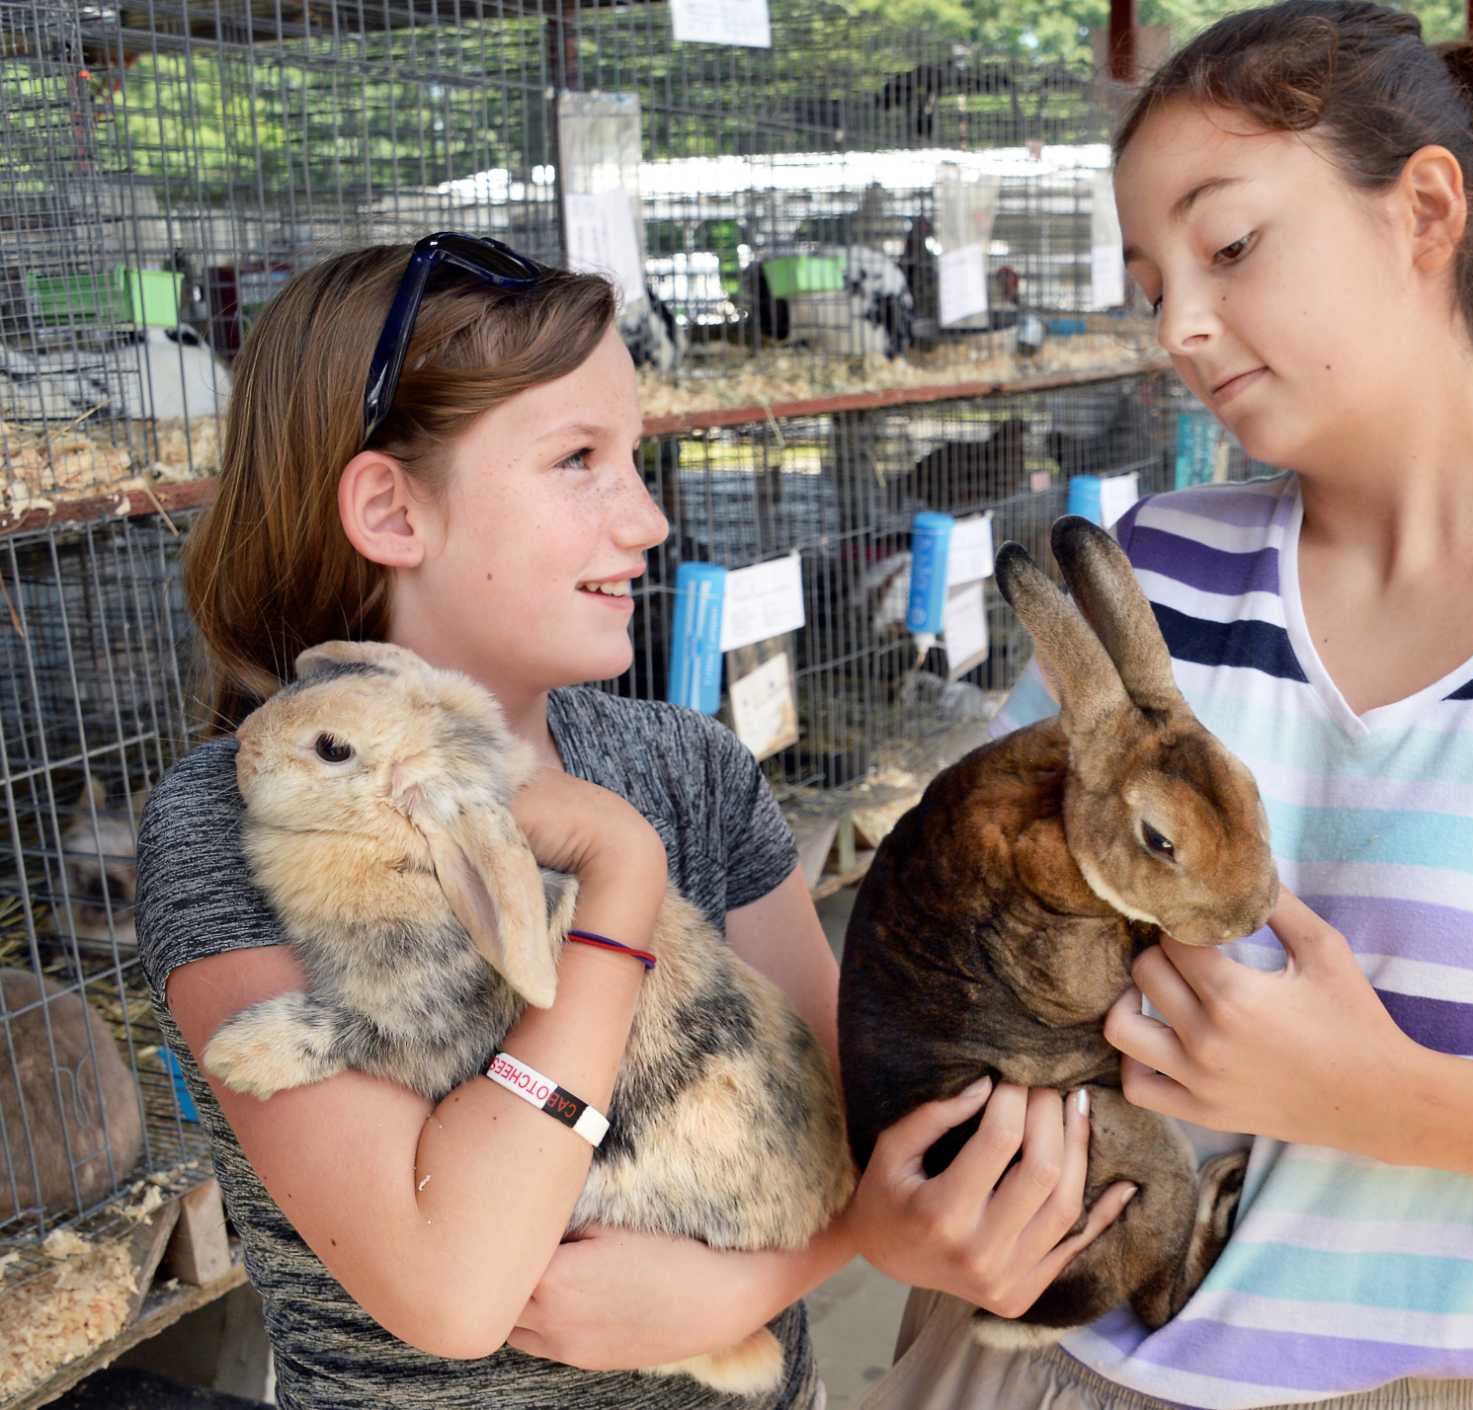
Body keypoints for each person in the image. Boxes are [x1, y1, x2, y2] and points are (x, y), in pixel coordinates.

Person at [855, 5, 1473, 1407]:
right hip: (1015, 1356)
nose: (1180, 325)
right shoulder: (1158, 568)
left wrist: (1379, 1097)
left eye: (1231, 245)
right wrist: (914, 1193)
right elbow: (963, 940)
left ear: (1425, 212)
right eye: (1153, 280)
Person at [139, 238, 1130, 1410]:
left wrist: (748, 1286)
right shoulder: (244, 822)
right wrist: (616, 880)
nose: (648, 521)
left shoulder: (685, 764)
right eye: (578, 462)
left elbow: (862, 1138)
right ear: (390, 509)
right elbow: (454, 1285)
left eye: (637, 460)